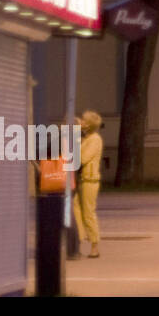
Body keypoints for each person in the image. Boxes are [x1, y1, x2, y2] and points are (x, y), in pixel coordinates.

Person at [69, 111, 103, 260]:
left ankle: (94, 245)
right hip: (82, 180)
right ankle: (80, 239)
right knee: (75, 208)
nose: (81, 121)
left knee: (89, 213)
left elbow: (82, 158)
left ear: (88, 124)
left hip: (90, 180)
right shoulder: (86, 138)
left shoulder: (95, 139)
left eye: (83, 120)